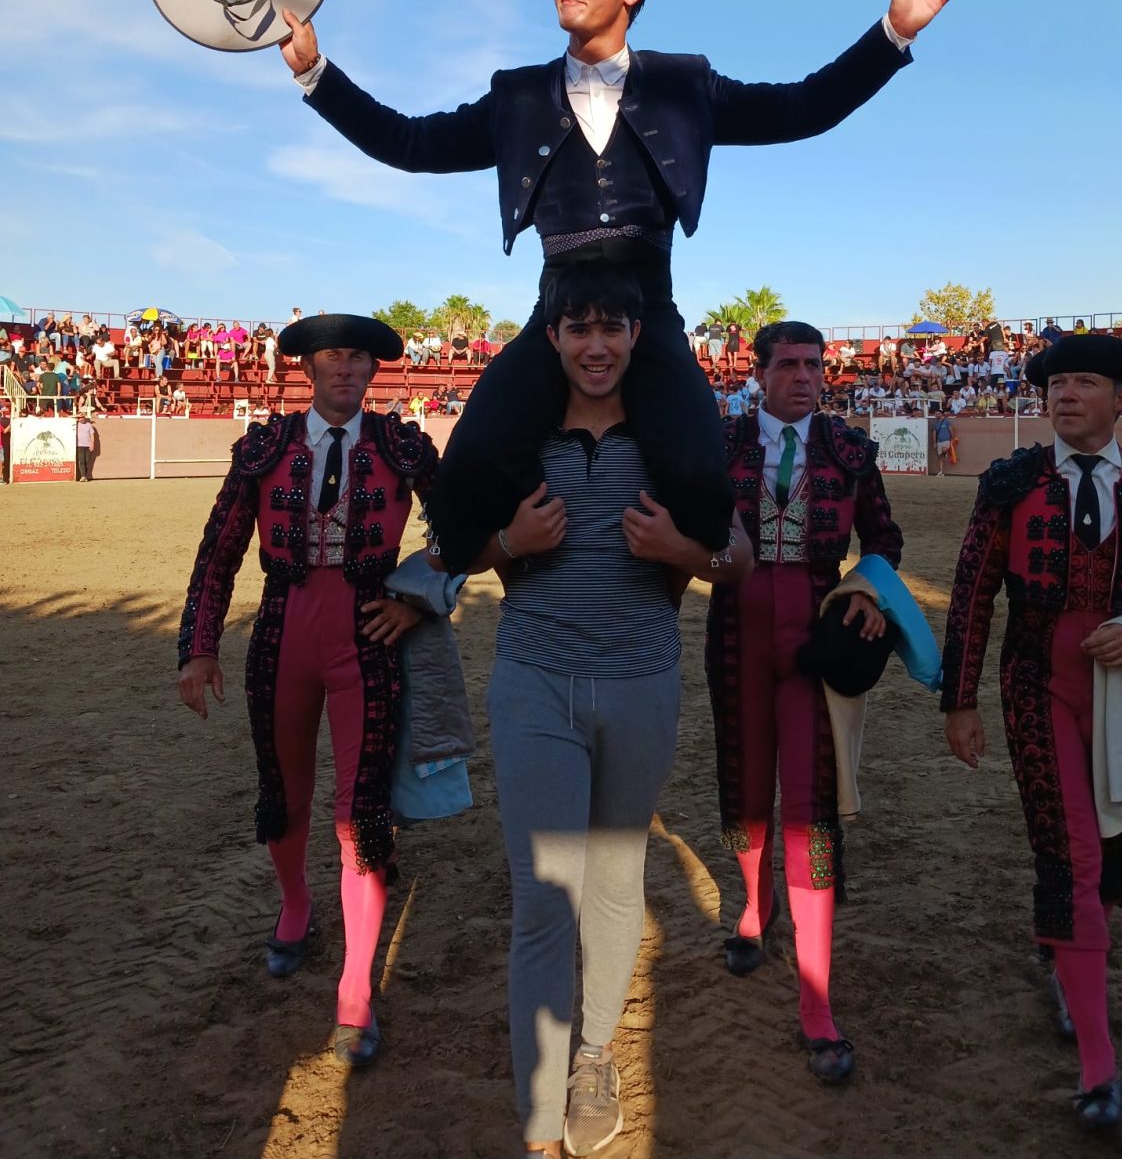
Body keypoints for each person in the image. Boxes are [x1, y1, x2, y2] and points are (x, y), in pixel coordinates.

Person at [280, 0, 960, 575]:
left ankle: (666, 586)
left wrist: (892, 34)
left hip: (648, 307)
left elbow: (801, 106)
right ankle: (482, 576)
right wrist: (316, 73)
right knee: (469, 466)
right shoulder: (517, 95)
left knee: (697, 473)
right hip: (557, 309)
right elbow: (408, 142)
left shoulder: (684, 83)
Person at [479, 264, 752, 1156]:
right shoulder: (521, 432)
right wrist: (508, 541)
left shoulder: (671, 435)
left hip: (640, 683)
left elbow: (739, 559)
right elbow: (461, 539)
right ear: (552, 337)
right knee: (543, 895)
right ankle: (539, 1104)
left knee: (614, 878)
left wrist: (682, 550)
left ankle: (593, 1057)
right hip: (535, 682)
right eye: (578, 328)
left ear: (638, 335)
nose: (595, 346)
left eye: (611, 328)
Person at [176, 314, 455, 1068]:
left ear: (372, 370)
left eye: (359, 357)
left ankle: (356, 987)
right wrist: (198, 646)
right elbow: (219, 551)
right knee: (284, 788)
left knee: (360, 808)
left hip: (369, 635)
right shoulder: (264, 449)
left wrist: (419, 600)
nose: (346, 368)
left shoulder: (402, 446)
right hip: (282, 631)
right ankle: (296, 904)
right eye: (332, 355)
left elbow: (462, 531)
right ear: (306, 367)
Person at [940, 334, 1122, 1130]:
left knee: (1109, 849)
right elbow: (973, 592)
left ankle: (1068, 960)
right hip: (1037, 682)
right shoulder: (1011, 482)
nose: (1065, 395)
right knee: (1071, 851)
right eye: (1056, 383)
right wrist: (960, 701)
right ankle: (1098, 1061)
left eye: (1085, 382)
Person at [705, 321, 905, 1085]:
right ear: (757, 374)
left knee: (811, 809)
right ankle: (754, 907)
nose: (803, 377)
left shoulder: (850, 450)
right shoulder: (718, 444)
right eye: (787, 365)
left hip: (814, 643)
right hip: (736, 635)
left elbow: (884, 540)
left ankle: (816, 1000)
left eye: (813, 365)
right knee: (745, 788)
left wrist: (867, 594)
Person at [76, 414, 97, 482]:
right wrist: (77, 415)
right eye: (80, 418)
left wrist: (92, 444)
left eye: (82, 417)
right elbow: (67, 417)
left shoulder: (89, 425)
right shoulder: (76, 424)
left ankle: (86, 476)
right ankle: (83, 476)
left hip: (87, 445)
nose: (81, 419)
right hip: (79, 445)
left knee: (87, 461)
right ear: (78, 418)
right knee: (81, 461)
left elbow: (92, 435)